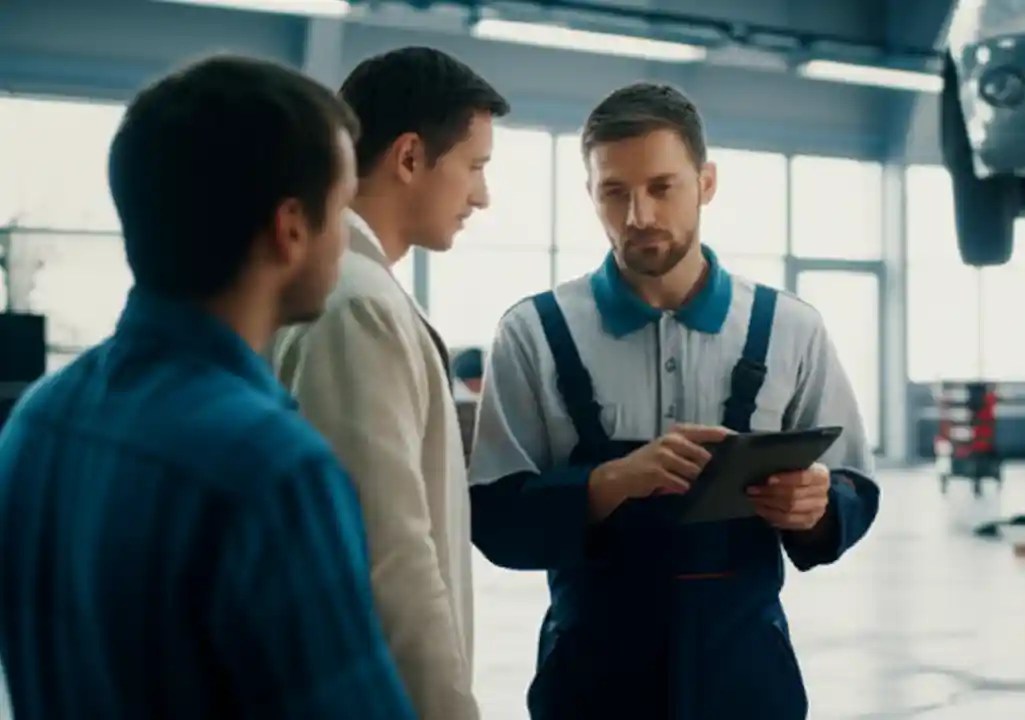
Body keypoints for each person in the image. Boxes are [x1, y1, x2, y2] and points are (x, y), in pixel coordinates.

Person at [0, 56, 414, 719]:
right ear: (290, 229)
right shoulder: (273, 469)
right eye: (341, 208)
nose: (346, 238)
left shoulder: (38, 419)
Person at [468, 82, 881, 719]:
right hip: (592, 688)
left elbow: (854, 486)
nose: (638, 215)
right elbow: (495, 518)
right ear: (590, 193)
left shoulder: (789, 329)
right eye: (614, 192)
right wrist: (609, 483)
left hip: (746, 685)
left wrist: (817, 507)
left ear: (706, 183)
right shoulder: (535, 333)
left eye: (662, 187)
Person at [269, 46, 508, 720]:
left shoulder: (343, 288)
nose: (482, 196)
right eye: (475, 166)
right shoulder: (358, 306)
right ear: (409, 157)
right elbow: (388, 560)